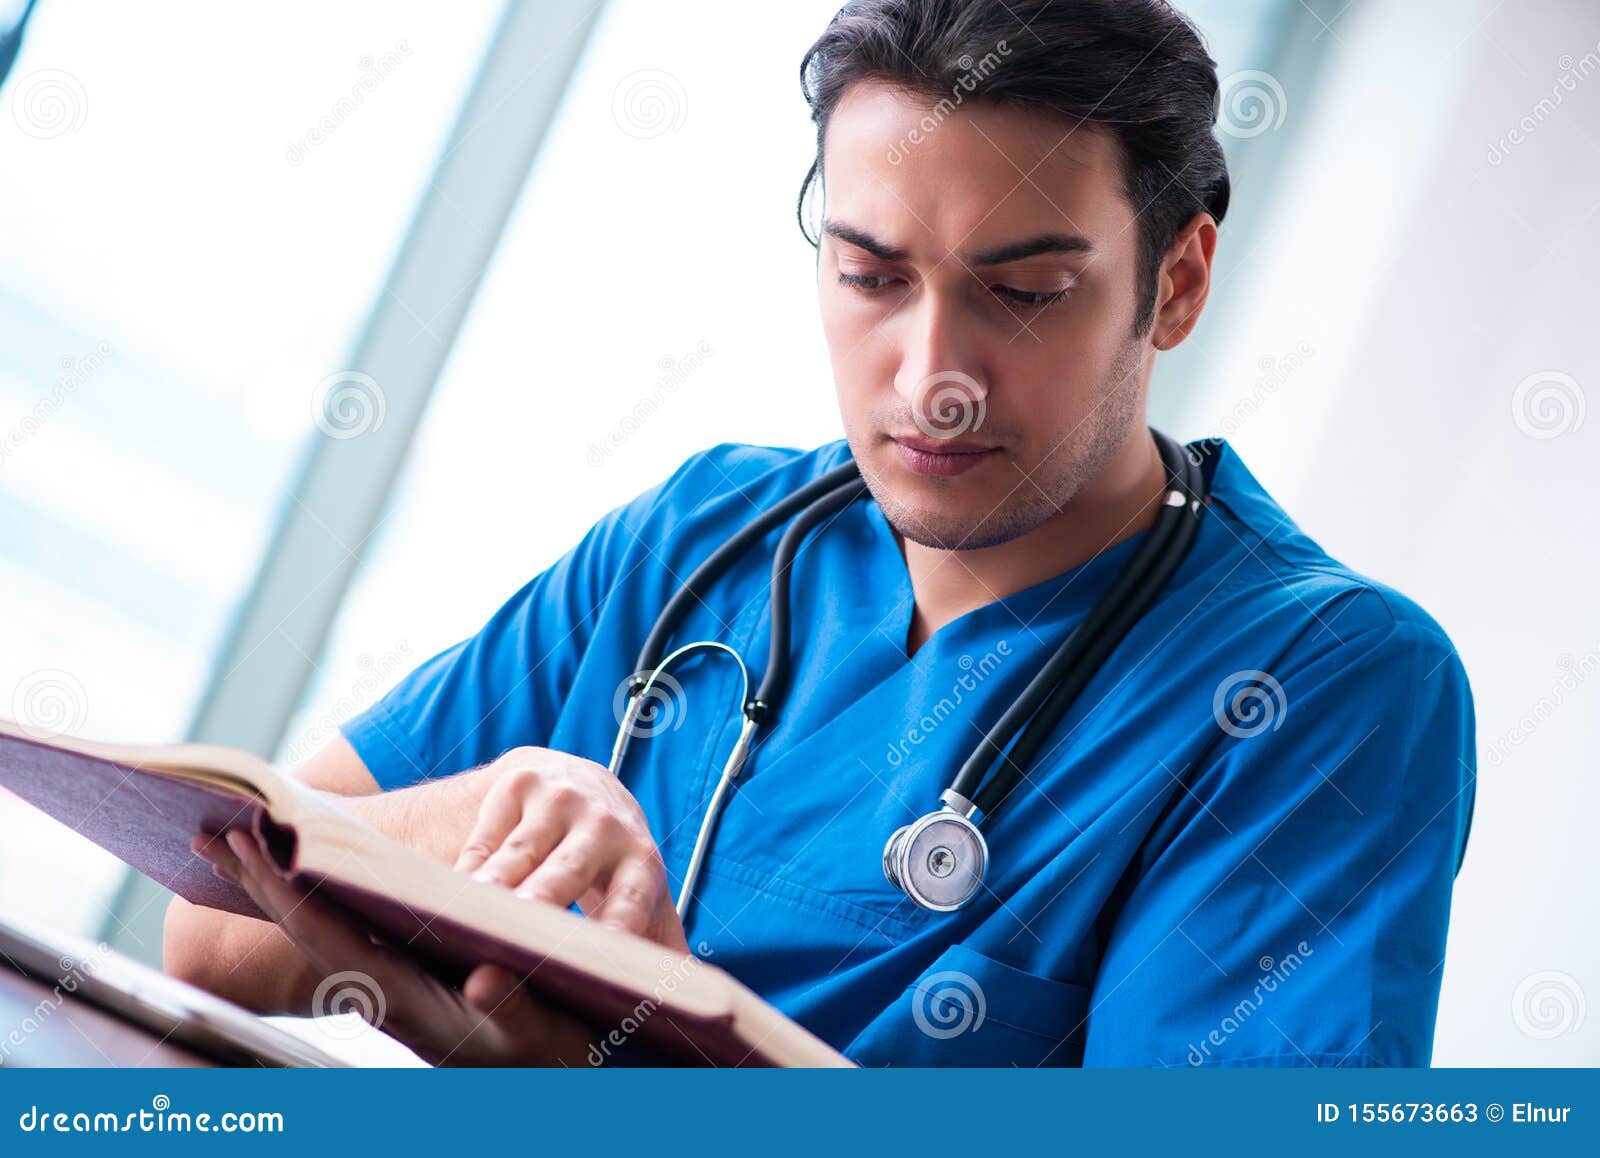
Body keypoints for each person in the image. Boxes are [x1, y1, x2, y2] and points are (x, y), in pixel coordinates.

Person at [168, 0, 1476, 1067]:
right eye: (871, 274)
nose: (930, 377)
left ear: (1175, 282)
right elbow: (212, 932)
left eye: (1021, 293)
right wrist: (491, 818)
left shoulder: (1321, 689)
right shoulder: (705, 539)